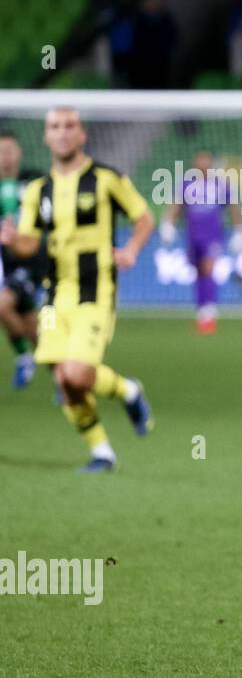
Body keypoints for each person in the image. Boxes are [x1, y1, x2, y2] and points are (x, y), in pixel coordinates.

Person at [0, 108, 156, 472]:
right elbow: (28, 243)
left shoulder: (106, 178)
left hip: (94, 290)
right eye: (55, 127)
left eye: (70, 126)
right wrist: (11, 239)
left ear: (82, 134)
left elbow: (144, 217)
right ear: (46, 137)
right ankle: (102, 452)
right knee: (63, 381)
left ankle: (128, 390)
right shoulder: (39, 191)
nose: (63, 133)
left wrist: (131, 250)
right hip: (54, 297)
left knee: (77, 374)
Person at [160, 150, 242, 334]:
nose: (202, 163)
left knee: (208, 268)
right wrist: (168, 223)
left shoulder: (220, 184)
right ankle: (202, 310)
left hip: (213, 234)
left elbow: (233, 206)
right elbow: (177, 205)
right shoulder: (186, 184)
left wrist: (240, 230)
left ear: (211, 163)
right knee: (199, 271)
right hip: (193, 234)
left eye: (205, 159)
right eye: (199, 159)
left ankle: (209, 313)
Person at [0, 131, 46, 388]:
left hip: (35, 262)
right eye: (1, 151)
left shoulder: (33, 180)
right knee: (32, 327)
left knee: (2, 305)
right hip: (10, 265)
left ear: (19, 153)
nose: (5, 156)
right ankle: (63, 375)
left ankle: (24, 357)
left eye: (9, 150)